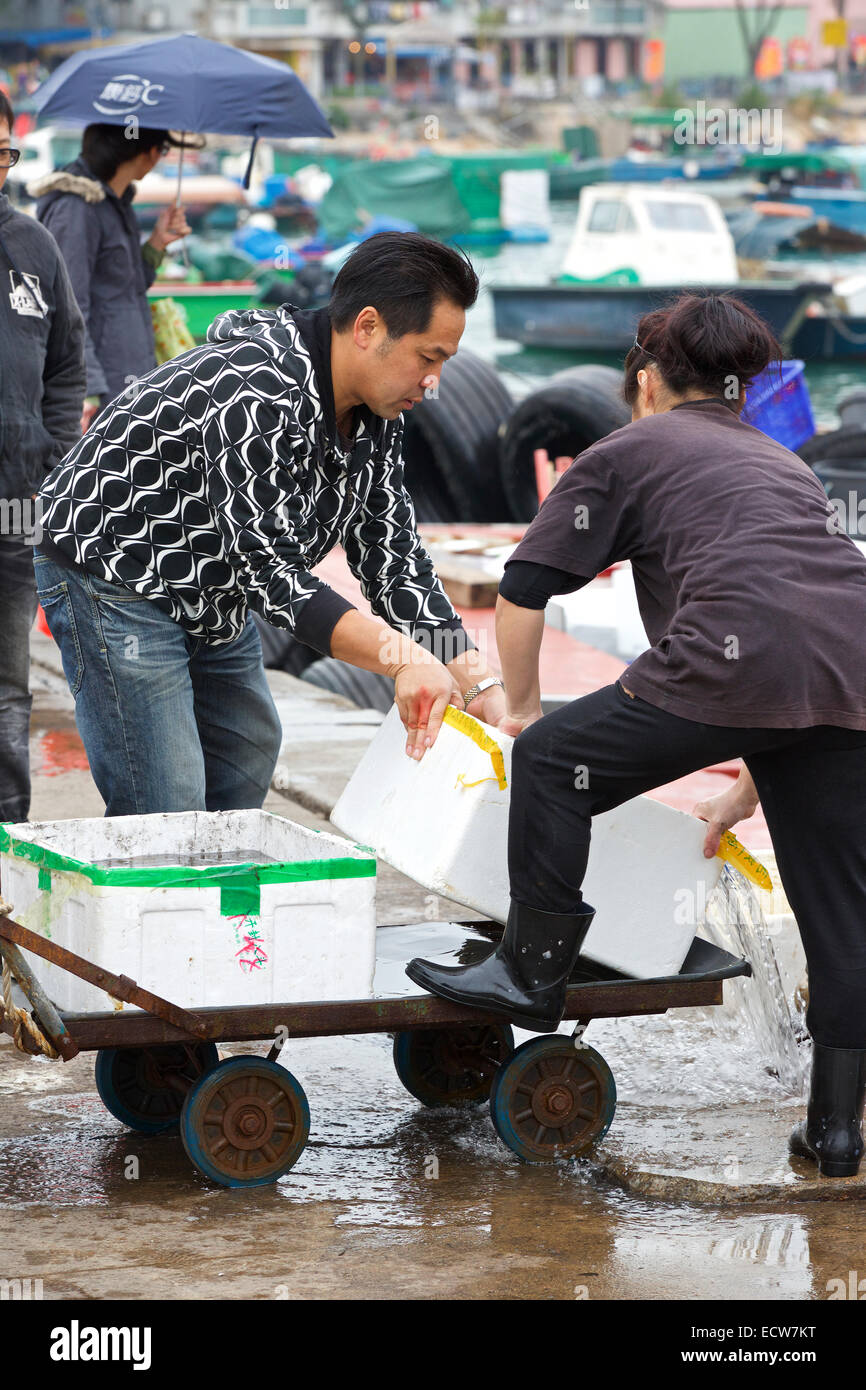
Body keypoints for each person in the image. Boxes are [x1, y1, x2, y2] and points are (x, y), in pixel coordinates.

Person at [408, 291, 866, 1179]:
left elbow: (526, 586)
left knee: (549, 763)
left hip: (739, 663)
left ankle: (527, 974)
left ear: (647, 382)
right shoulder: (786, 465)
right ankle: (838, 1133)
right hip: (856, 673)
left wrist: (527, 711)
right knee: (841, 917)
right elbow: (804, 635)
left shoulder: (630, 447)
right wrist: (748, 786)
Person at [33, 232, 505, 817]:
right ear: (367, 328)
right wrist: (402, 657)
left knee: (246, 748)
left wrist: (477, 681)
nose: (434, 381)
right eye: (427, 357)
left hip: (210, 581)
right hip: (115, 570)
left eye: (444, 363)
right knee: (166, 796)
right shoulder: (257, 387)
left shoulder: (378, 413)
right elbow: (271, 575)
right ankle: (159, 894)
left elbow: (392, 555)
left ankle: (208, 888)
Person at [0, 90, 85, 822]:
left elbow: (66, 362)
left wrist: (52, 454)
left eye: (1, 154)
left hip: (15, 504)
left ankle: (5, 840)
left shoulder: (32, 244)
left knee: (6, 685)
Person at [29, 123, 191, 424]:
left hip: (129, 380)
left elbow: (126, 289)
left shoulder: (117, 205)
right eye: (162, 149)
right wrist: (85, 391)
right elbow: (68, 307)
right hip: (99, 396)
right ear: (148, 152)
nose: (159, 157)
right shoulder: (75, 209)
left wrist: (157, 243)